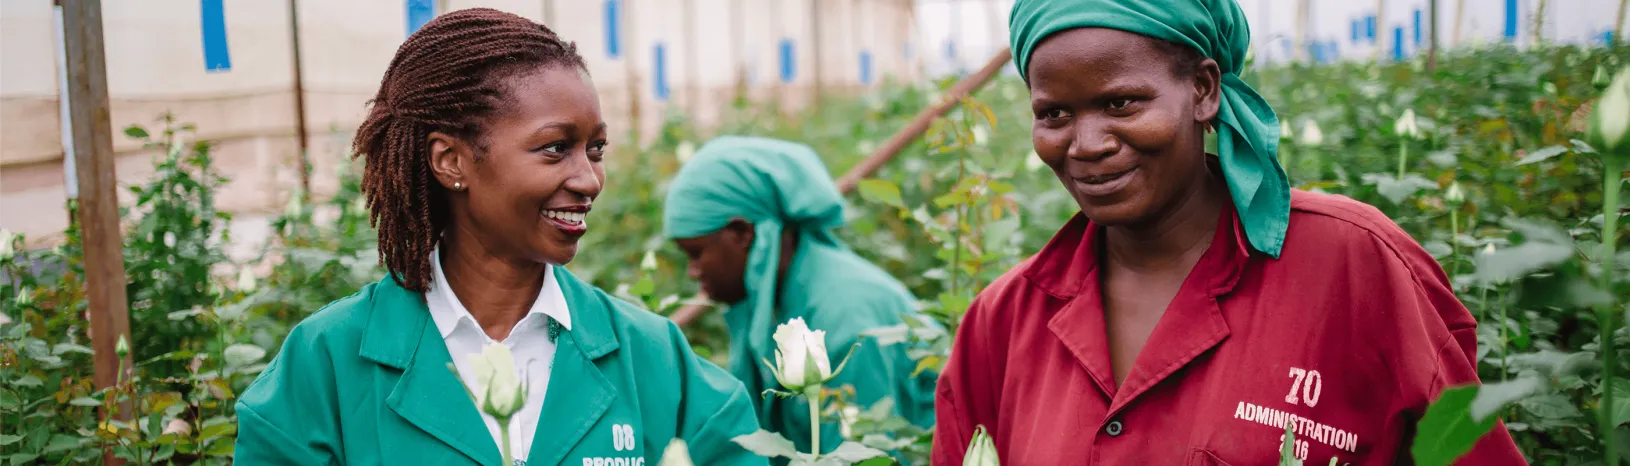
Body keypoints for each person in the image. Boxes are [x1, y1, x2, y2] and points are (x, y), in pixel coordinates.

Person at [932, 1, 1527, 465]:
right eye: (1054, 114)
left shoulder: (1357, 267)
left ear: (1204, 90)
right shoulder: (1002, 324)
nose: (1086, 144)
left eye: (1122, 103)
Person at [234, 9, 766, 465]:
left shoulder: (653, 359)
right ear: (451, 161)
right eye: (555, 148)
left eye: (595, 149)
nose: (588, 179)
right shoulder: (327, 363)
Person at [661, 136, 937, 457]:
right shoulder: (780, 300)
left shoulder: (848, 319)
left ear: (741, 234)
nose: (693, 272)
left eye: (696, 254)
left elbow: (868, 458)